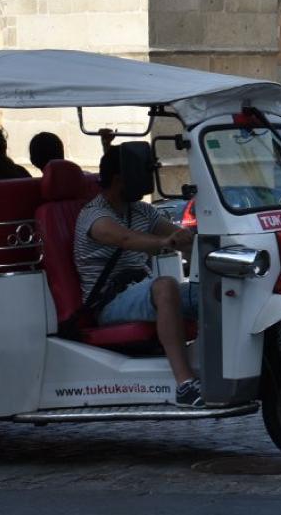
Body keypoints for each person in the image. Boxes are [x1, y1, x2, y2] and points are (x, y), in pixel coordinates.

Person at [74, 142, 201, 405]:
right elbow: (125, 239)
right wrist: (164, 243)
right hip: (109, 303)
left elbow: (177, 237)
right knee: (166, 285)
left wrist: (198, 242)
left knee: (212, 292)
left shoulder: (141, 211)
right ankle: (185, 384)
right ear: (120, 179)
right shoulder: (93, 215)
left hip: (140, 293)